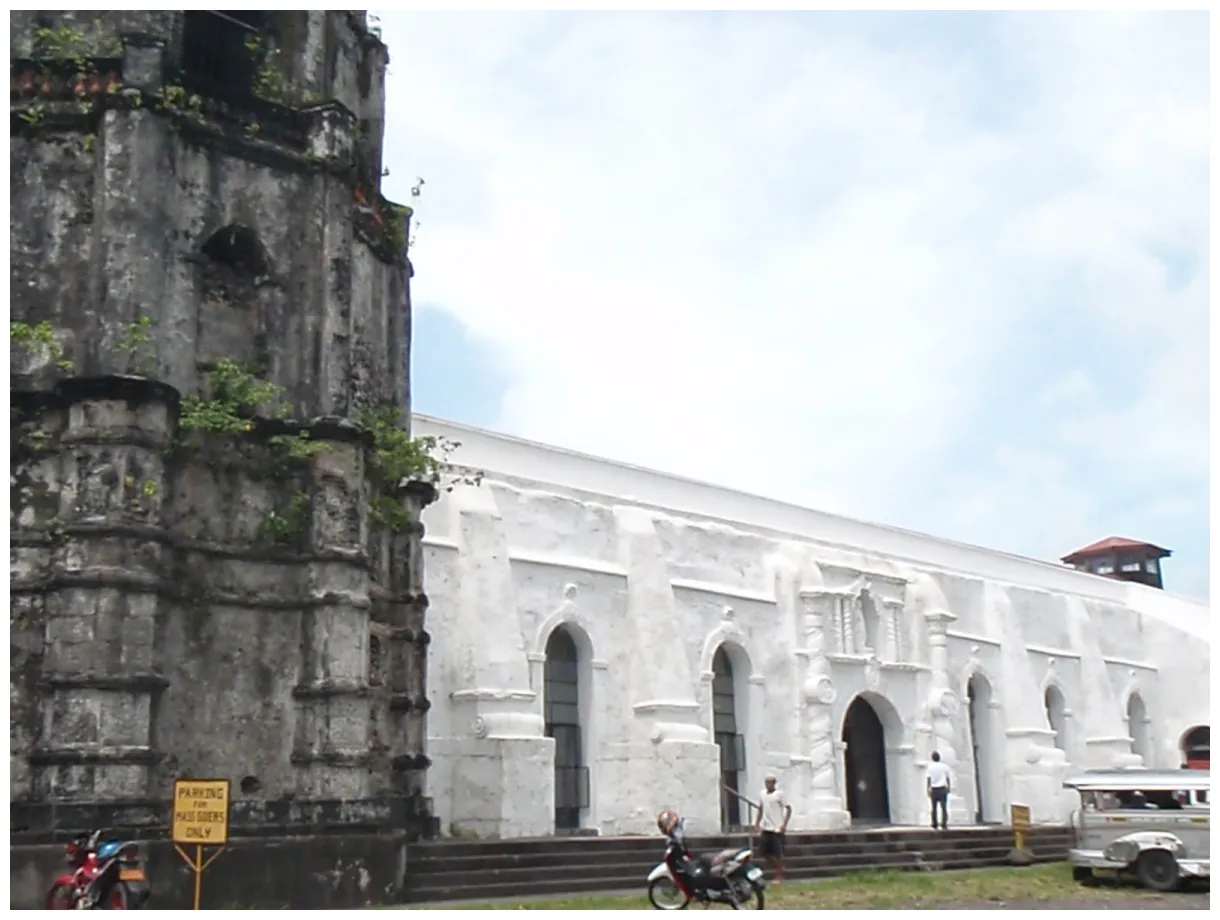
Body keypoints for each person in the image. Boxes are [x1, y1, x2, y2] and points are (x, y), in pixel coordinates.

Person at [752, 774, 791, 884]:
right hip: (766, 827)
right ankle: (779, 869)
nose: (768, 784)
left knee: (777, 853)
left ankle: (780, 873)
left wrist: (784, 824)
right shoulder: (762, 794)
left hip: (776, 828)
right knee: (764, 853)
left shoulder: (779, 794)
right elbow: (761, 809)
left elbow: (788, 809)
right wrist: (757, 823)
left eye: (770, 782)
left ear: (774, 783)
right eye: (767, 782)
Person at [925, 751, 951, 830]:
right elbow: (947, 778)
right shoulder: (945, 766)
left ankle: (934, 823)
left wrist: (928, 788)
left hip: (934, 789)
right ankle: (944, 823)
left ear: (932, 758)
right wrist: (949, 787)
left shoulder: (930, 767)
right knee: (944, 807)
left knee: (934, 808)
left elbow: (928, 778)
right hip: (942, 788)